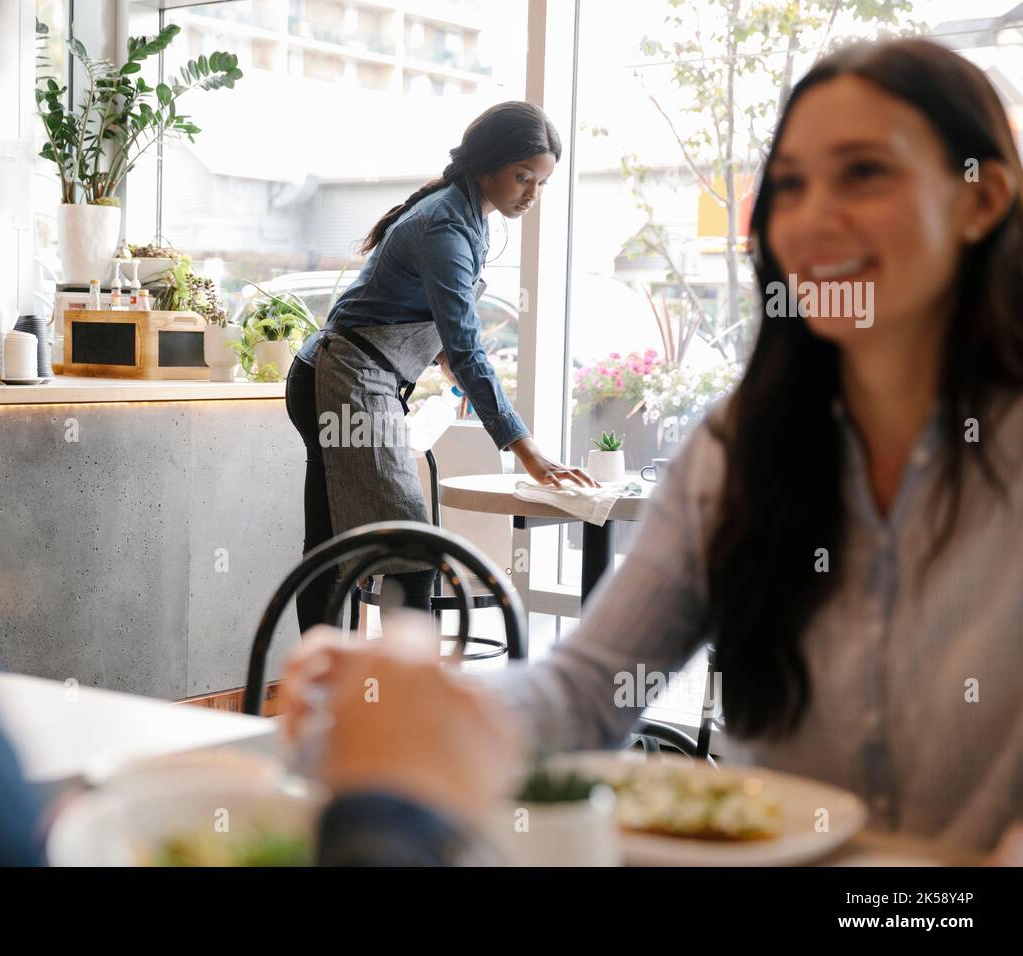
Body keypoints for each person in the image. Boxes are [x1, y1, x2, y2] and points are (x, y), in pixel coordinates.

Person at [0, 0, 514, 867]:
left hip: (345, 384)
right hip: (349, 383)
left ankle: (319, 705)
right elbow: (467, 341)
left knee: (343, 549)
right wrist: (393, 805)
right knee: (388, 549)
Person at [287, 37, 1023, 859]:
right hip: (351, 377)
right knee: (368, 546)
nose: (812, 217)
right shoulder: (737, 452)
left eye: (862, 173)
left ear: (982, 198)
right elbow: (584, 694)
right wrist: (435, 713)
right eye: (789, 184)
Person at [285, 102, 594, 633]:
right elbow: (468, 349)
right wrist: (531, 453)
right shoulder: (445, 225)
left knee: (331, 547)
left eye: (540, 183)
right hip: (345, 381)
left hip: (334, 377)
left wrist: (460, 379)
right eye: (523, 177)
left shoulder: (467, 218)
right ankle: (401, 698)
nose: (531, 194)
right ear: (488, 164)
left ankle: (327, 697)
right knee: (413, 550)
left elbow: (446, 345)